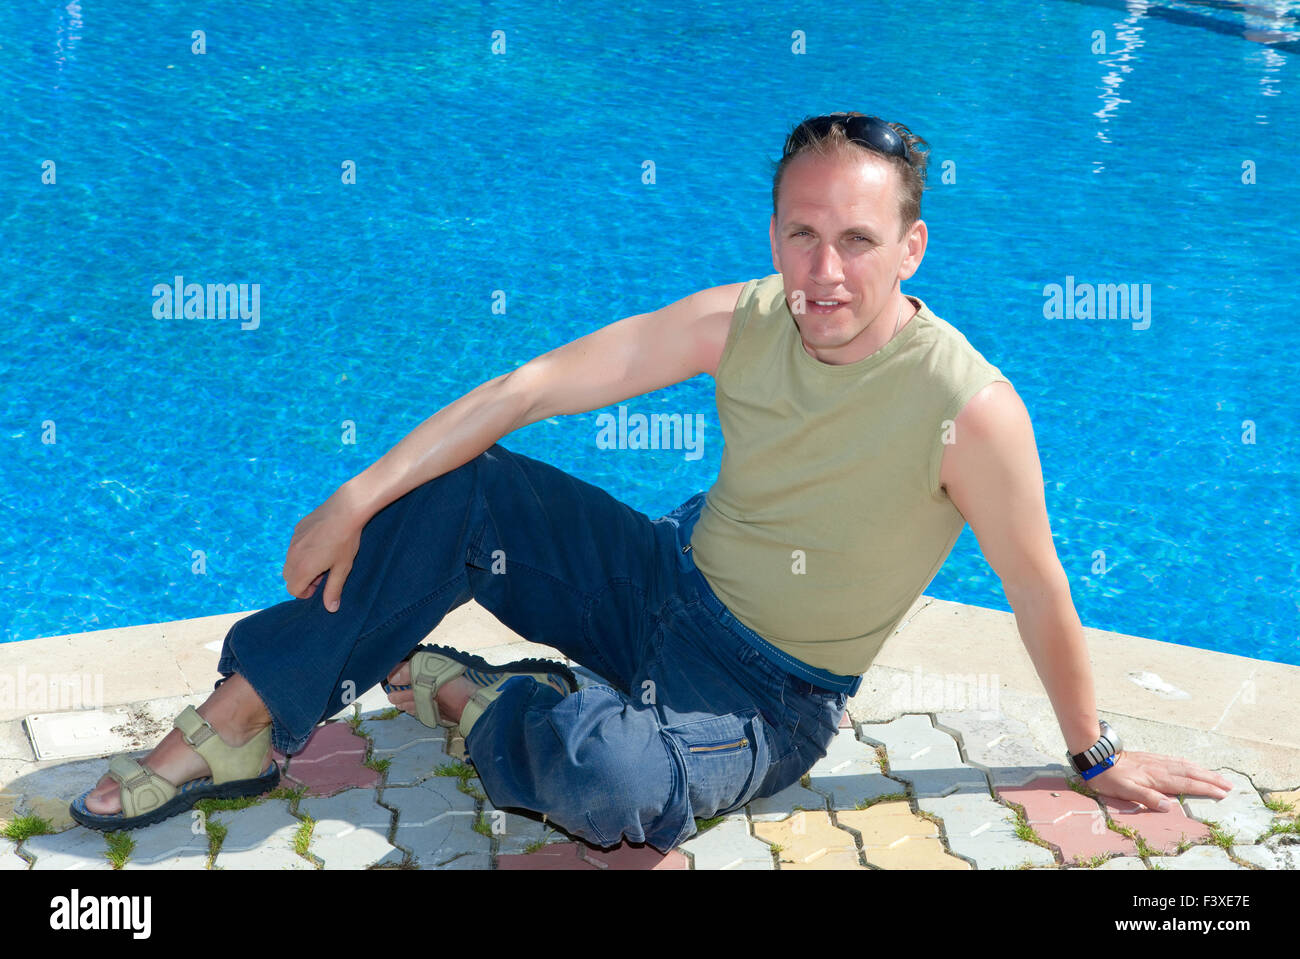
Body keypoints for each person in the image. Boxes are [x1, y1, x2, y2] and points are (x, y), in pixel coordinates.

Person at [72, 112, 1232, 850]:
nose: (823, 272)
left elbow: (1040, 592)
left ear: (912, 246)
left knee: (609, 783)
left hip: (765, 691)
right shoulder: (744, 317)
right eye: (800, 234)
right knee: (455, 488)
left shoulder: (969, 410)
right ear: (774, 231)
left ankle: (478, 699)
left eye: (859, 241)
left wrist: (1093, 754)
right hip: (660, 582)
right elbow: (532, 386)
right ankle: (240, 720)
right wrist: (357, 496)